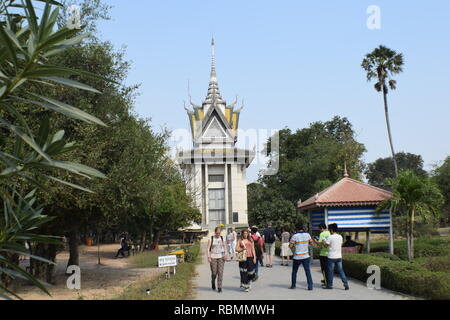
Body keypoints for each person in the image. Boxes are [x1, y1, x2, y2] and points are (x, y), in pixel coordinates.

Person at [323, 223, 349, 290]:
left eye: (329, 230)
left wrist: (324, 241)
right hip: (339, 256)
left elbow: (326, 246)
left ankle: (330, 285)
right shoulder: (340, 237)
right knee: (341, 271)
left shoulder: (330, 237)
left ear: (331, 230)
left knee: (330, 272)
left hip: (331, 257)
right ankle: (346, 284)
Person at [289, 223, 314, 290]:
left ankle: (293, 285)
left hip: (297, 257)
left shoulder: (295, 236)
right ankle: (310, 286)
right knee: (307, 271)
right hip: (306, 256)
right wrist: (306, 245)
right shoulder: (307, 235)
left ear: (296, 229)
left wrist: (294, 245)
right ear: (302, 228)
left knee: (294, 271)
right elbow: (311, 243)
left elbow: (290, 246)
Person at [207, 227, 229, 293]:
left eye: (219, 233)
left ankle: (219, 287)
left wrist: (226, 254)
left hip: (221, 257)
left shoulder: (222, 238)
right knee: (214, 273)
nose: (218, 234)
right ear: (215, 232)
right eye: (217, 233)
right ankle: (213, 281)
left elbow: (225, 247)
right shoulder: (211, 238)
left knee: (220, 272)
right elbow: (208, 248)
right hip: (213, 256)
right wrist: (208, 257)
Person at [317, 223, 331, 287]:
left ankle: (326, 282)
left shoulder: (322, 234)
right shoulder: (329, 233)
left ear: (322, 228)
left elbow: (319, 244)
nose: (319, 230)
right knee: (328, 268)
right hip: (330, 253)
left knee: (324, 269)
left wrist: (315, 241)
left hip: (323, 254)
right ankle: (328, 281)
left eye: (319, 229)